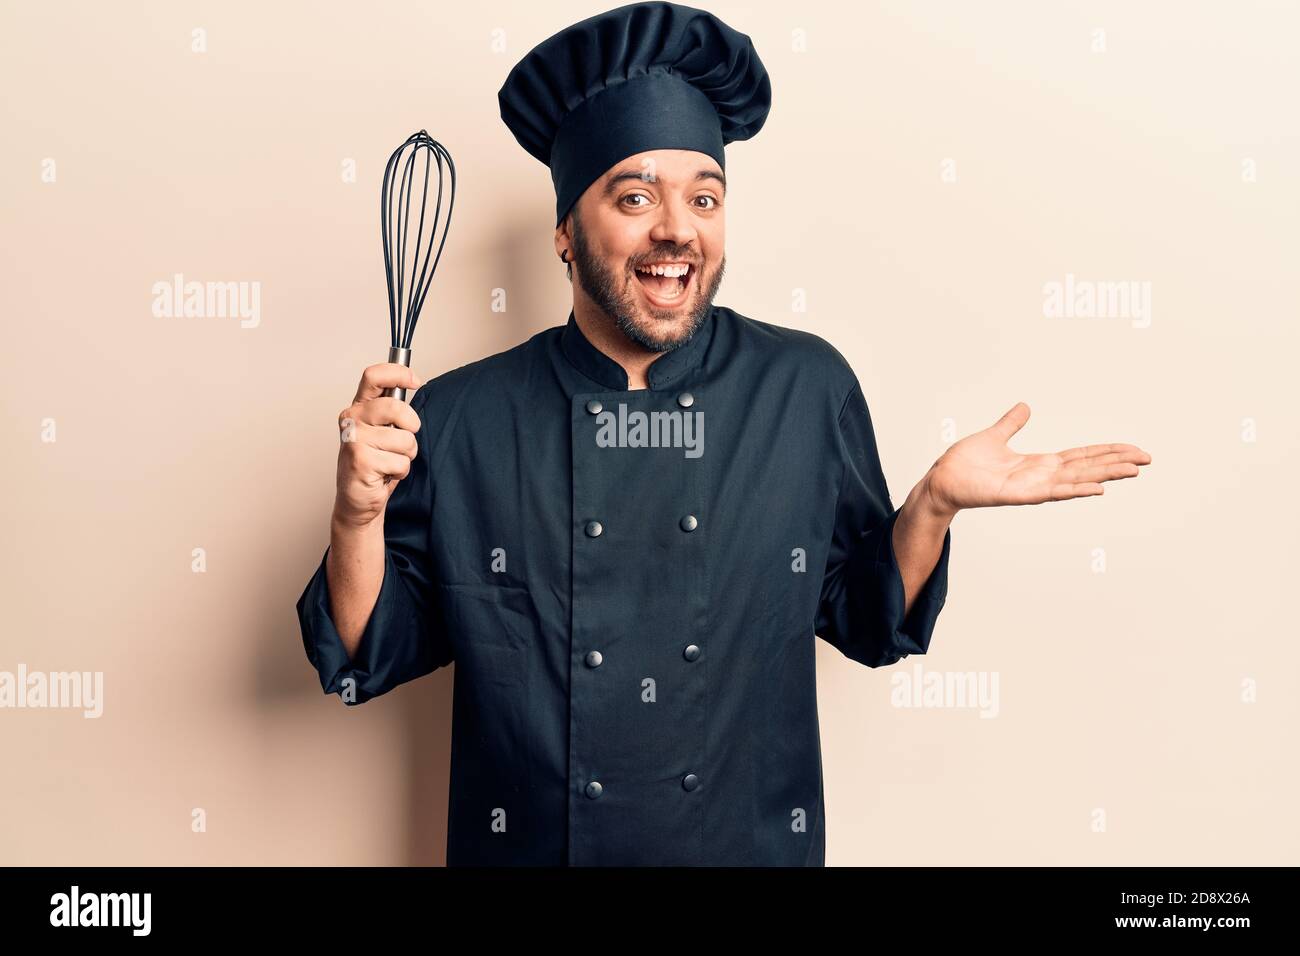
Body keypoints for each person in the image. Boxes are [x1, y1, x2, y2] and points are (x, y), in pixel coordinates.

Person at [296, 1, 1151, 866]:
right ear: (564, 231)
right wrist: (355, 519)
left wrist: (931, 505)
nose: (677, 226)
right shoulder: (463, 414)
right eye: (635, 195)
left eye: (705, 196)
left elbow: (864, 618)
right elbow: (372, 651)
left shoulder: (803, 388)